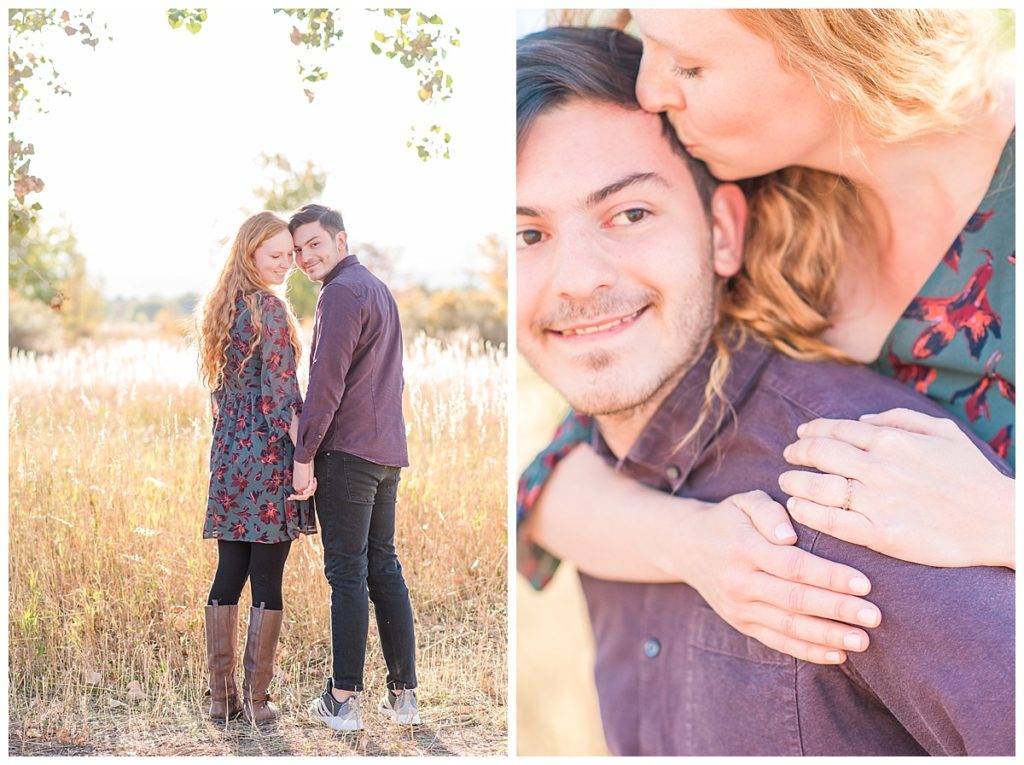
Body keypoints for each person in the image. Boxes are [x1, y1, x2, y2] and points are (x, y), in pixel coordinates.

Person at [516, 26, 1014, 756]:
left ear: (828, 38)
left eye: (690, 62)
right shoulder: (769, 201)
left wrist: (1005, 519)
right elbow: (560, 472)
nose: (652, 90)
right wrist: (696, 543)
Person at [288, 204, 420, 732]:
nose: (304, 257)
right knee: (383, 568)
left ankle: (342, 701)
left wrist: (303, 456)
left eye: (314, 244)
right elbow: (395, 378)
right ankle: (404, 698)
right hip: (386, 451)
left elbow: (326, 384)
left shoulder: (340, 294)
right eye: (297, 250)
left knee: (348, 573)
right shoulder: (377, 288)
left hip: (347, 454)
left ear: (341, 240)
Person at [197, 211, 317, 724]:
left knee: (230, 571)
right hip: (268, 456)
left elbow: (219, 399)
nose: (287, 265)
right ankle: (257, 701)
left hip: (229, 455)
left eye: (290, 255)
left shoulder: (222, 309)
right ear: (249, 255)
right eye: (276, 256)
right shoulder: (268, 308)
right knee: (267, 577)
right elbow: (283, 397)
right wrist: (304, 461)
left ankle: (221, 700)